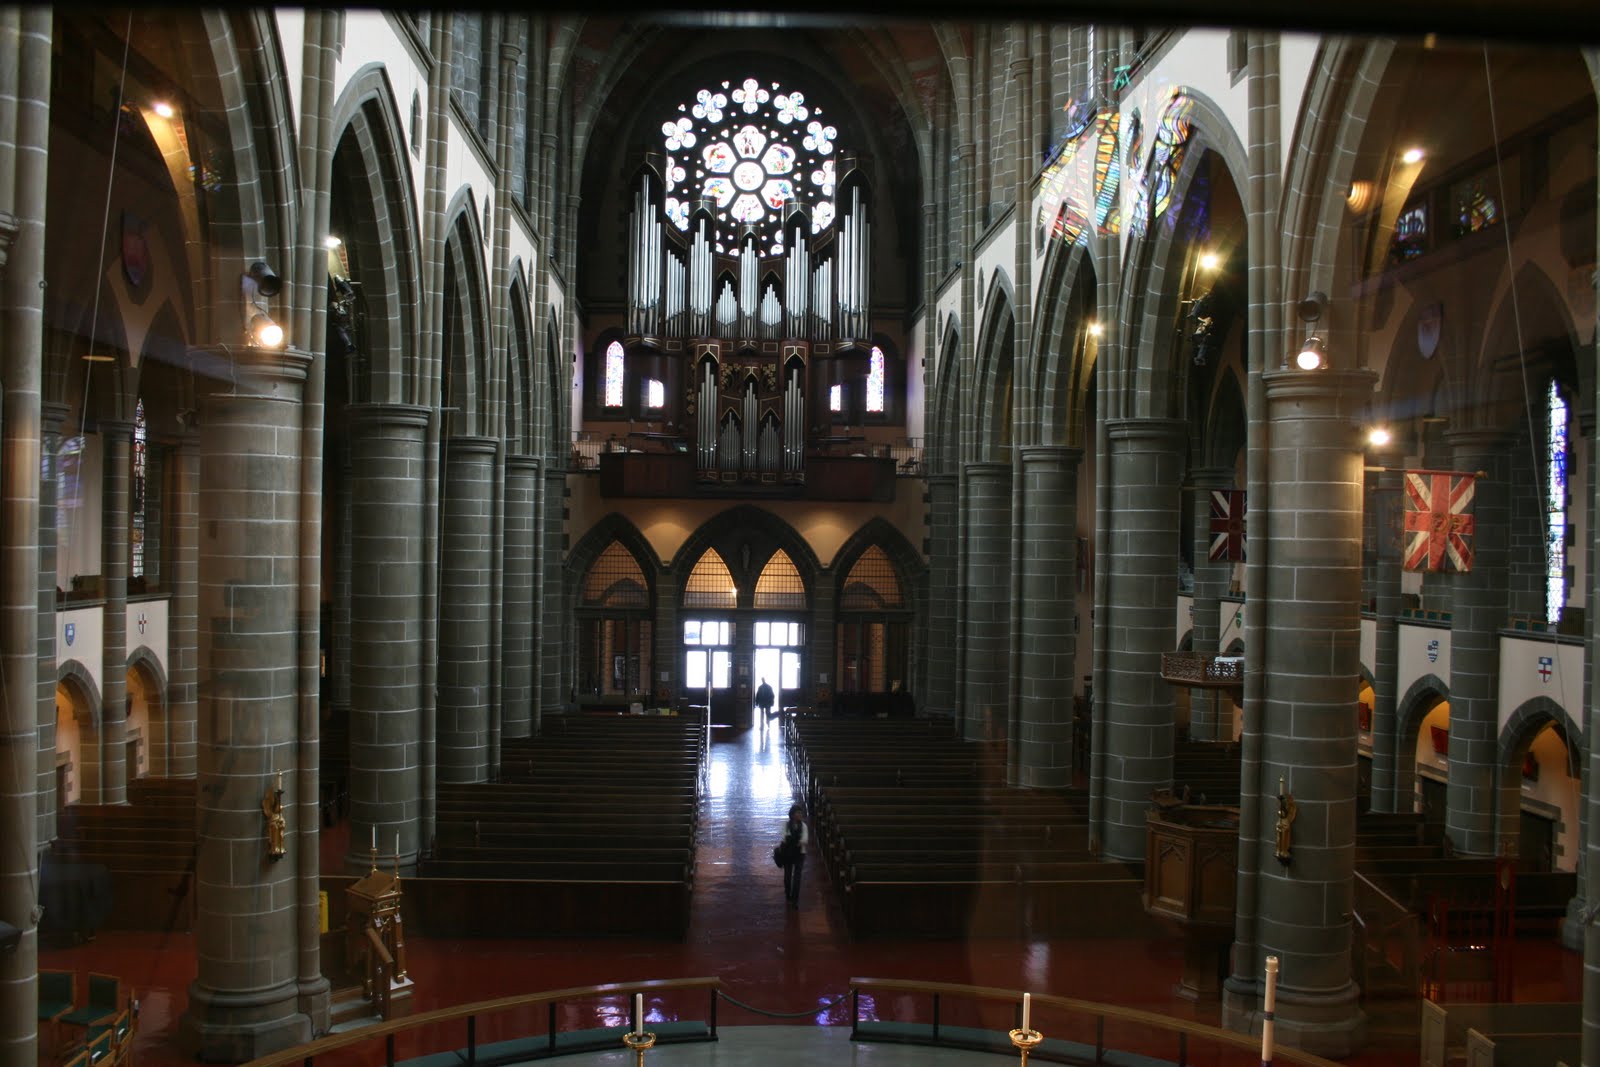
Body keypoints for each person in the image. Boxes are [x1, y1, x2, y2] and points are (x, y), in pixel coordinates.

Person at [779, 803, 807, 908]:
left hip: (800, 854)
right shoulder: (786, 825)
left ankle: (795, 899)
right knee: (787, 876)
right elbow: (784, 837)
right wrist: (794, 841)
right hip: (788, 853)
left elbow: (804, 839)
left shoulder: (803, 826)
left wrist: (795, 841)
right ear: (792, 814)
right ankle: (788, 894)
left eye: (801, 813)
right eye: (798, 813)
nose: (800, 815)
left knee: (797, 877)